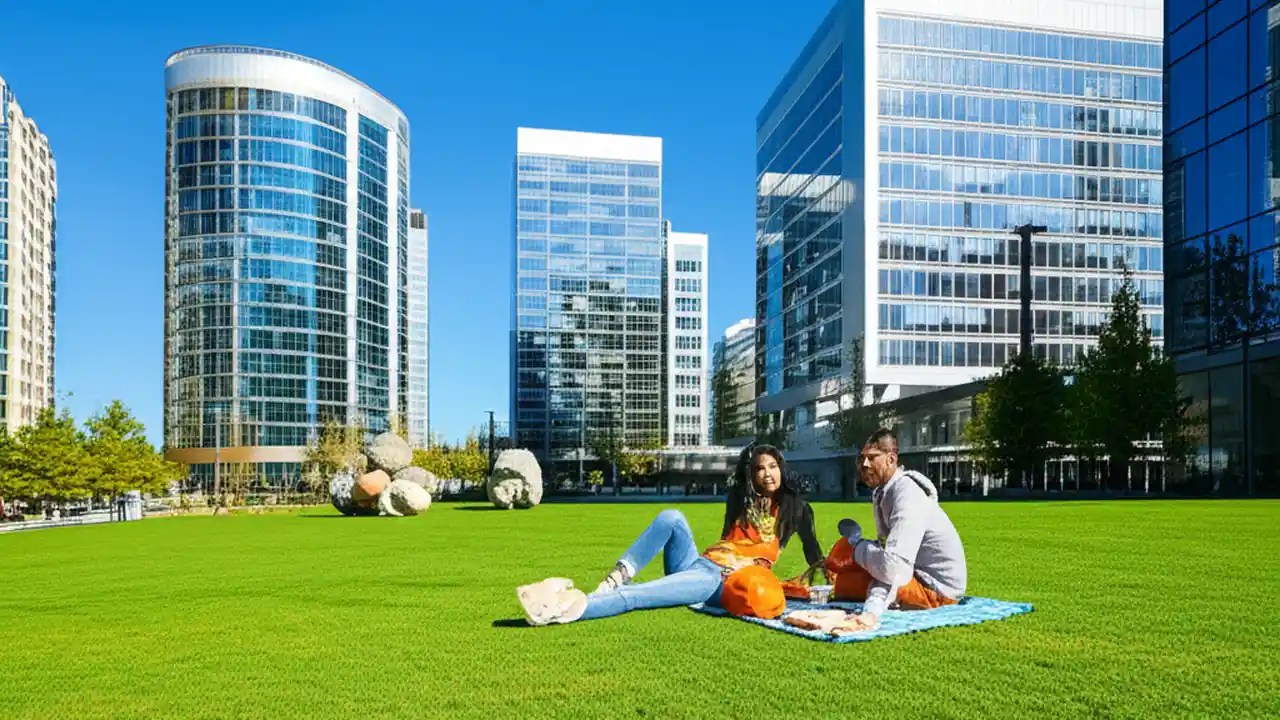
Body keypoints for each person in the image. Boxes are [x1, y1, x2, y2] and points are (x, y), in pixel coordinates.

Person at [516, 444, 825, 625]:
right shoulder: (740, 502)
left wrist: (830, 583)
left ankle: (563, 608)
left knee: (639, 596)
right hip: (701, 565)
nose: (767, 473)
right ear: (751, 474)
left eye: (773, 466)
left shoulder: (797, 510)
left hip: (723, 581)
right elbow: (726, 540)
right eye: (759, 468)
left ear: (782, 468)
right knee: (672, 517)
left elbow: (814, 555)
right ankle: (614, 578)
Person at [832, 428, 967, 632]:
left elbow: (894, 568)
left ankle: (873, 610)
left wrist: (858, 548)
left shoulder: (907, 494)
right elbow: (889, 555)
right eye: (861, 459)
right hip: (914, 574)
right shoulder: (884, 492)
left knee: (850, 583)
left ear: (891, 459)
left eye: (872, 457)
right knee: (845, 580)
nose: (864, 465)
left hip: (937, 590)